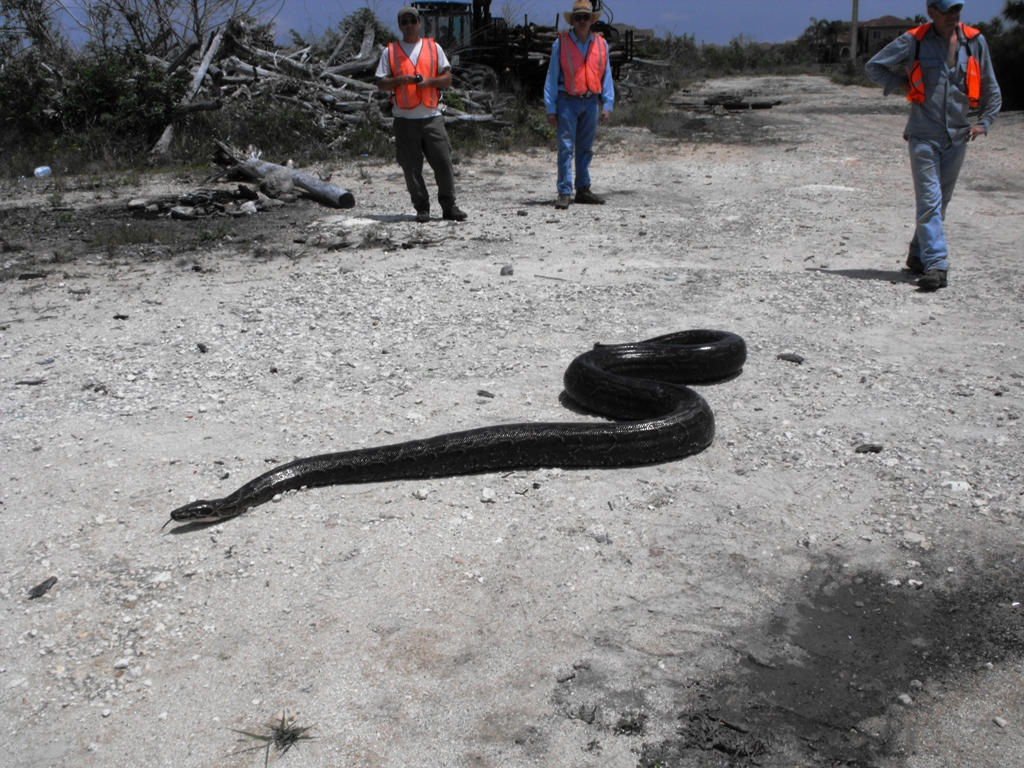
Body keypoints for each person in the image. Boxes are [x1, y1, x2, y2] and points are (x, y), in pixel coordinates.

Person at [865, 0, 1001, 291]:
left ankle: (918, 254)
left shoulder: (974, 42)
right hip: (923, 134)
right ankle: (937, 265)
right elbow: (874, 67)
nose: (953, 16)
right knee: (930, 200)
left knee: (941, 202)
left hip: (958, 135)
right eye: (947, 10)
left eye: (957, 10)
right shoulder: (913, 40)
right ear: (932, 12)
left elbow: (990, 86)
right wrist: (902, 84)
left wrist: (985, 121)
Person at [375, 6, 467, 223]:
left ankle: (449, 207)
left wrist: (430, 82)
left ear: (419, 23)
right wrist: (401, 80)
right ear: (400, 26)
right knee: (411, 168)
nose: (409, 25)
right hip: (405, 120)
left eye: (412, 21)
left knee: (443, 162)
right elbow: (381, 83)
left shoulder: (434, 48)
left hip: (432, 116)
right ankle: (422, 208)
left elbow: (447, 78)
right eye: (404, 22)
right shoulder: (390, 52)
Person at [543, 0, 615, 210]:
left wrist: (608, 104)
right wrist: (550, 107)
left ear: (591, 20)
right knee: (565, 147)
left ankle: (583, 189)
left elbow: (606, 75)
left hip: (591, 102)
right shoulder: (561, 44)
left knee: (585, 148)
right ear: (572, 21)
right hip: (567, 100)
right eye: (578, 17)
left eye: (586, 17)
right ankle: (564, 192)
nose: (582, 21)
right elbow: (552, 76)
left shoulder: (601, 44)